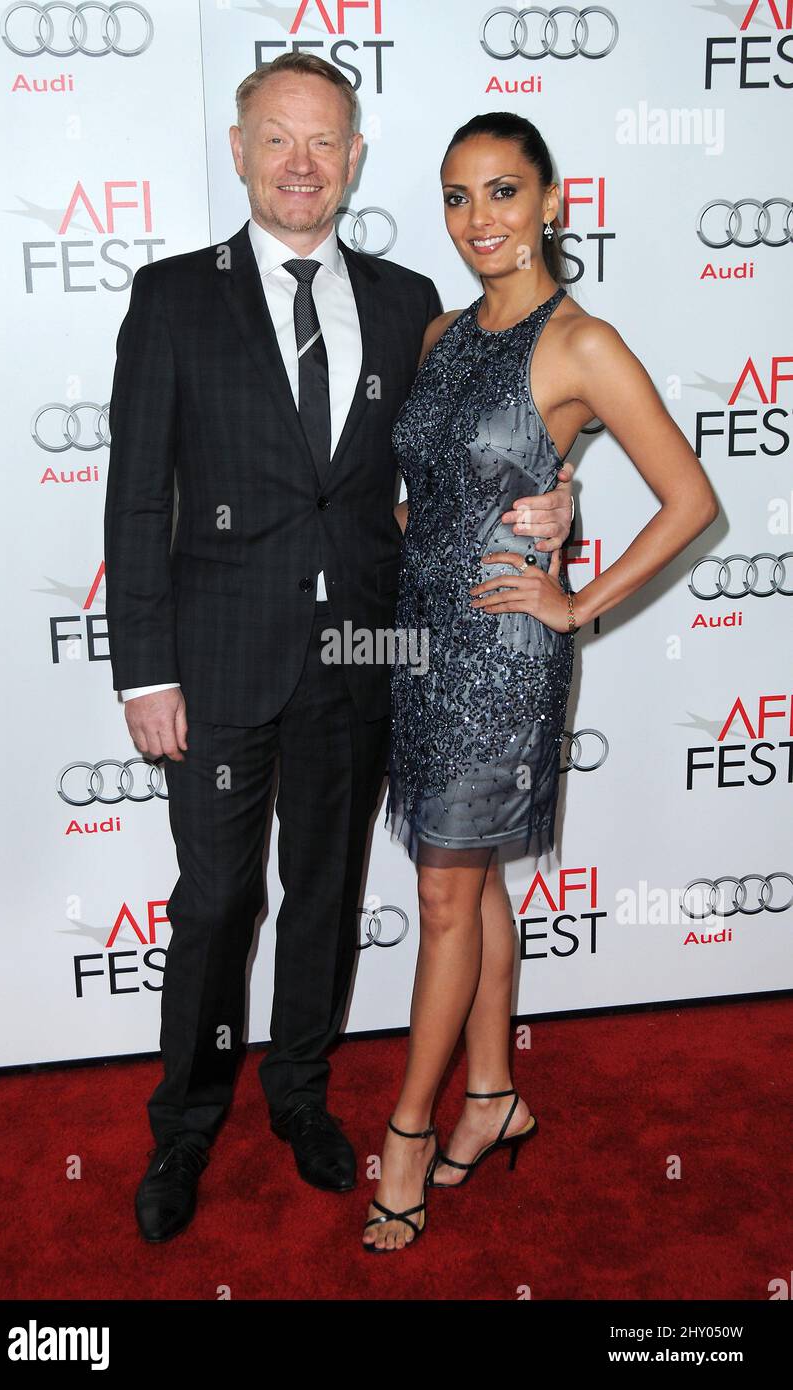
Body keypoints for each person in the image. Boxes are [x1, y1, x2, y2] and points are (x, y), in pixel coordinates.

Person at [103, 60, 575, 1243]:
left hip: (365, 654)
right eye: (278, 139)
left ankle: (301, 1097)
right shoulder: (170, 297)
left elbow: (457, 450)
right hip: (212, 664)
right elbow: (131, 502)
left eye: (325, 141)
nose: (302, 162)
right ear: (240, 149)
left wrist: (551, 497)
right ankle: (187, 1120)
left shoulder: (411, 294)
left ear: (356, 157)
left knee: (322, 893)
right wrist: (144, 669)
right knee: (216, 901)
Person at [361, 111, 719, 1253]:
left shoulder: (584, 342)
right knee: (476, 887)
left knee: (443, 896)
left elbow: (693, 498)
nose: (479, 220)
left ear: (553, 200)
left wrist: (572, 598)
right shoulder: (439, 334)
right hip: (423, 642)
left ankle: (409, 1131)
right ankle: (491, 1096)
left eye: (503, 192)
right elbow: (440, 498)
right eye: (458, 196)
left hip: (502, 659)